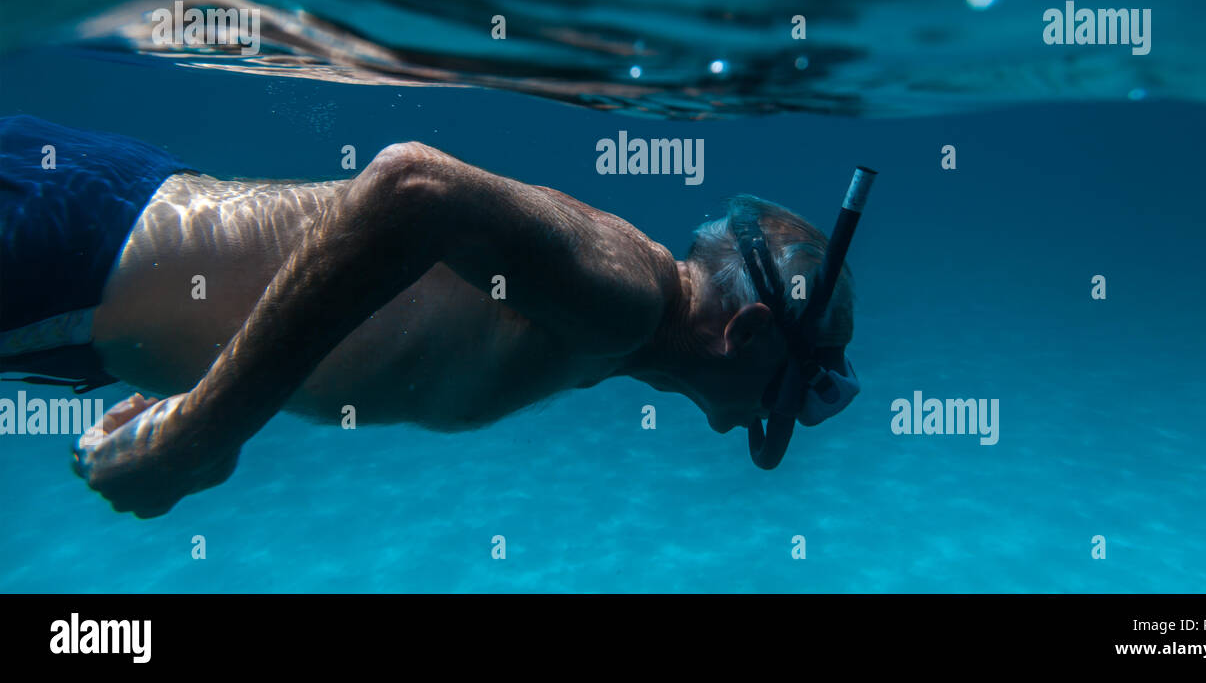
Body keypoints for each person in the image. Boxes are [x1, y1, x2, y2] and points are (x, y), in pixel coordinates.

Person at [0, 115, 864, 518]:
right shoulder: (628, 301)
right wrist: (200, 431)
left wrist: (195, 388)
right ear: (748, 332)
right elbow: (414, 189)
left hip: (91, 266)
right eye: (809, 384)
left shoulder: (618, 325)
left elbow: (388, 310)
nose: (794, 413)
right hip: (69, 254)